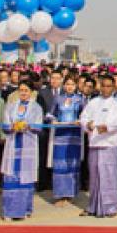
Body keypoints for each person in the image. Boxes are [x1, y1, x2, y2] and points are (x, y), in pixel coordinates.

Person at [79, 74, 117, 218]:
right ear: (100, 87)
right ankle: (93, 206)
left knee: (108, 176)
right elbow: (83, 117)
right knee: (94, 176)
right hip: (94, 143)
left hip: (109, 144)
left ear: (113, 87)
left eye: (108, 86)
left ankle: (110, 207)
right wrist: (87, 124)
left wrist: (107, 127)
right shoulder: (93, 102)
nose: (105, 89)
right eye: (103, 86)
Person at [0, 81, 43, 220]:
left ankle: (24, 210)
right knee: (11, 177)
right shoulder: (10, 106)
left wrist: (28, 126)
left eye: (26, 90)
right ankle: (9, 211)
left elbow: (39, 127)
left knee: (26, 177)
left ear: (31, 92)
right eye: (21, 90)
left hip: (28, 146)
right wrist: (12, 127)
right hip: (12, 145)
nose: (23, 93)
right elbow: (5, 125)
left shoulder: (36, 108)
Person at [47, 76, 85, 204]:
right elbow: (50, 114)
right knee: (60, 164)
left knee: (71, 164)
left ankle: (70, 194)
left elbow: (86, 115)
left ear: (76, 86)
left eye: (72, 84)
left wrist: (80, 120)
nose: (70, 87)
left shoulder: (80, 99)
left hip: (74, 136)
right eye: (67, 84)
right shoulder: (58, 98)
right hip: (60, 135)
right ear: (64, 86)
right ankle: (59, 194)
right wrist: (53, 120)